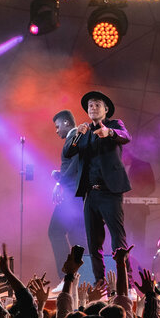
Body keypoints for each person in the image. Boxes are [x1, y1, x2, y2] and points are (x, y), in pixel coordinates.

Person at [64, 91, 132, 283]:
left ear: (106, 109)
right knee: (94, 243)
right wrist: (77, 135)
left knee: (118, 240)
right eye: (90, 106)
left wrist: (109, 133)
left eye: (97, 105)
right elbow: (69, 152)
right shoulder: (83, 132)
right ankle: (100, 281)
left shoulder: (114, 125)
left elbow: (126, 136)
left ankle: (126, 282)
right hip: (90, 194)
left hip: (110, 192)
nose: (93, 108)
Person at [48, 110, 86, 276]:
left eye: (57, 127)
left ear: (66, 123)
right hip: (77, 195)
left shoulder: (74, 137)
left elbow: (76, 164)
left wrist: (59, 181)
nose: (56, 131)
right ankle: (81, 276)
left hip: (71, 195)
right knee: (76, 237)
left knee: (55, 231)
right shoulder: (75, 137)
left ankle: (66, 276)